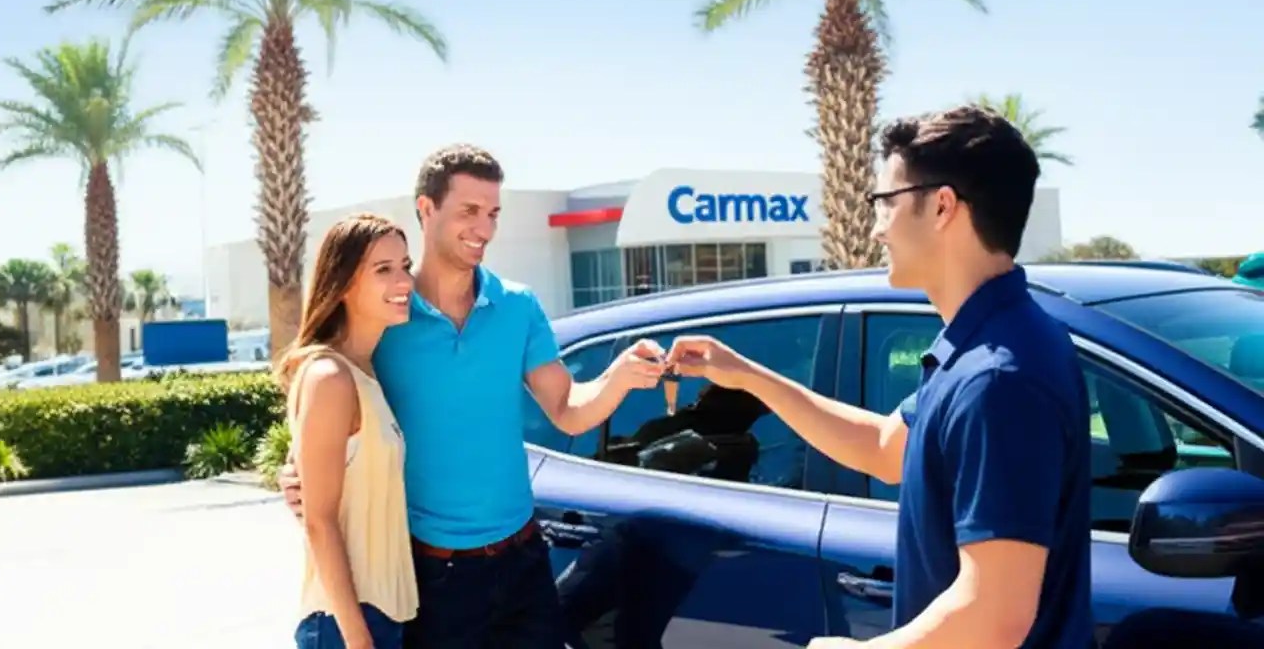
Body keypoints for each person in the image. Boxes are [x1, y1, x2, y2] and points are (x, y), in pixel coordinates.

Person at [666, 105, 1095, 648]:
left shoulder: (998, 378)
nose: (875, 226)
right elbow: (884, 448)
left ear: (941, 207)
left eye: (884, 203)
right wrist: (750, 377)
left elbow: (994, 616)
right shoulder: (990, 345)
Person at [280, 143, 664, 648]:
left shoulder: (518, 306)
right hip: (431, 577)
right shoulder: (386, 316)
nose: (483, 229)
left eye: (493, 213)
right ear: (426, 209)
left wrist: (620, 375)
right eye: (468, 211)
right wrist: (295, 472)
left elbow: (568, 411)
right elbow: (335, 405)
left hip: (524, 561)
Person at [278, 213, 420, 649]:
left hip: (381, 616)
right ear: (342, 285)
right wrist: (357, 637)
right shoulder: (329, 377)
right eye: (384, 270)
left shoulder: (366, 373)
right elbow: (319, 521)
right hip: (346, 623)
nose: (404, 281)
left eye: (405, 266)